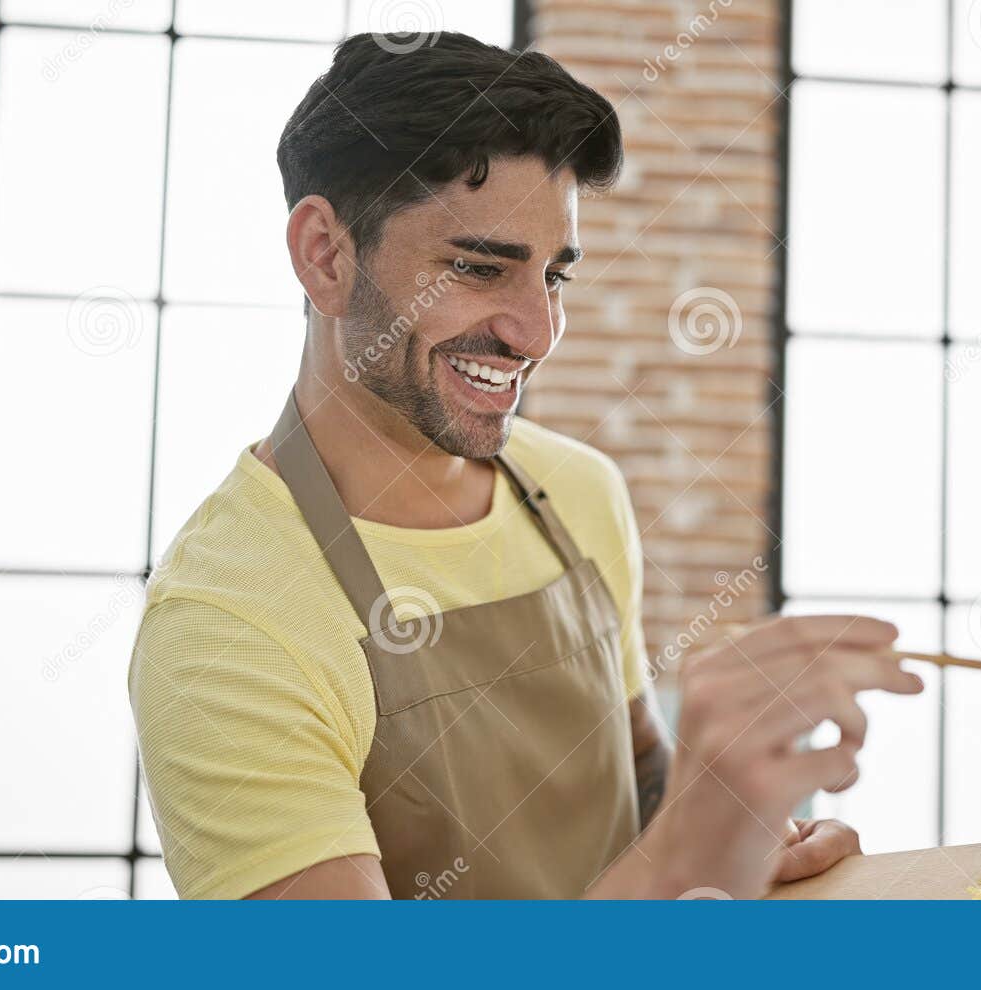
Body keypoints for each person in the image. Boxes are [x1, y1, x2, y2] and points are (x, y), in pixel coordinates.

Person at [128, 31, 924, 900]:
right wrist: (686, 852)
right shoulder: (228, 625)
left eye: (554, 278)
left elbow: (637, 801)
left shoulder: (580, 494)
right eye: (477, 268)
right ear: (325, 254)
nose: (537, 334)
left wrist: (736, 833)